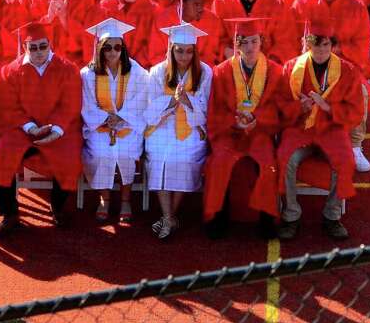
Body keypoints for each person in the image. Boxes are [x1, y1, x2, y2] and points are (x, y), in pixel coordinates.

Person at [275, 19, 368, 240]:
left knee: (345, 160)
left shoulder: (347, 71)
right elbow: (279, 105)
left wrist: (328, 107)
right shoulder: (291, 68)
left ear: (333, 46)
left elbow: (355, 111)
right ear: (308, 45)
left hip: (331, 128)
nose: (321, 50)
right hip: (300, 128)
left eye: (326, 45)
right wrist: (300, 107)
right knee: (285, 158)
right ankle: (291, 215)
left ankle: (332, 215)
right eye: (316, 45)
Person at [0, 22, 83, 234]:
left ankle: (57, 206)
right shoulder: (10, 71)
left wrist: (55, 130)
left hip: (58, 129)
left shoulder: (68, 69)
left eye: (43, 46)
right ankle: (9, 213)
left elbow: (70, 105)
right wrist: (31, 128)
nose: (39, 52)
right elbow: (9, 107)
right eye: (33, 47)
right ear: (24, 47)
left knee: (70, 157)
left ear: (50, 44)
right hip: (23, 129)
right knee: (2, 154)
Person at [203, 17, 285, 239]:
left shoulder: (275, 72)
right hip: (229, 132)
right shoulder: (221, 72)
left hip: (260, 131)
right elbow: (216, 109)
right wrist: (234, 122)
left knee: (268, 164)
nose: (249, 48)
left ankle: (266, 220)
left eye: (254, 42)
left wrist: (257, 119)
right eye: (244, 42)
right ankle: (218, 218)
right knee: (219, 163)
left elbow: (278, 108)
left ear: (262, 42)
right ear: (236, 44)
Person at [290, 0, 370, 172]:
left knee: (361, 94)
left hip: (345, 68)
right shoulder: (301, 5)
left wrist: (332, 51)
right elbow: (289, 42)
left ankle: (355, 145)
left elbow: (362, 46)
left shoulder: (356, 7)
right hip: (307, 67)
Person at [143, 22, 211, 240]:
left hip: (191, 125)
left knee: (184, 159)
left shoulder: (205, 72)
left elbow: (205, 107)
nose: (184, 56)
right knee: (160, 157)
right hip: (162, 125)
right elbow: (150, 109)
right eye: (179, 51)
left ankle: (170, 215)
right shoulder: (157, 72)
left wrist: (187, 102)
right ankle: (169, 216)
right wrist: (173, 103)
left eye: (189, 51)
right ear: (171, 49)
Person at [79, 18, 149, 223]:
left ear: (123, 48)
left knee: (126, 152)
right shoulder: (88, 73)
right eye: (107, 47)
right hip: (99, 126)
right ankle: (105, 198)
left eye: (117, 47)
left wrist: (121, 116)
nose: (112, 52)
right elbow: (86, 103)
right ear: (100, 48)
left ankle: (126, 199)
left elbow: (142, 98)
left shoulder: (136, 71)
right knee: (101, 153)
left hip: (128, 124)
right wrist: (105, 118)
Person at [148, 0, 224, 67]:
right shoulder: (163, 19)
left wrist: (190, 73)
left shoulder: (212, 20)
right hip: (168, 72)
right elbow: (156, 55)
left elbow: (210, 56)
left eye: (202, 4)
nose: (201, 9)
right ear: (182, 3)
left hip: (198, 73)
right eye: (196, 4)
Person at [96, 0, 159, 65]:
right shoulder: (105, 7)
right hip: (110, 64)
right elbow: (98, 41)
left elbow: (152, 44)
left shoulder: (151, 8)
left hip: (140, 67)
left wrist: (133, 65)